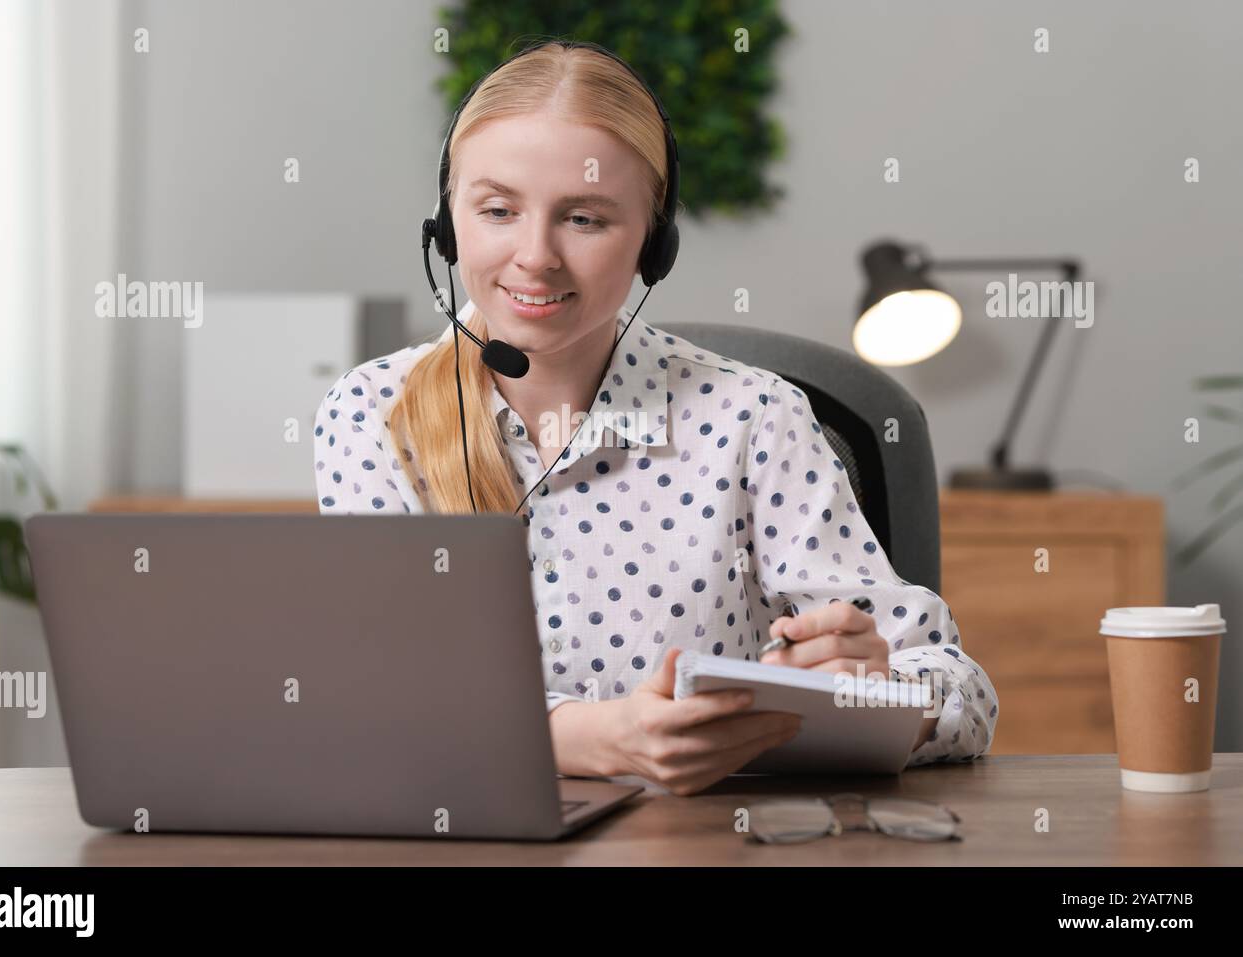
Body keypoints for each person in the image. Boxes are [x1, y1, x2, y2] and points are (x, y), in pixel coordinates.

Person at [314, 41, 998, 796]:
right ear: (447, 225)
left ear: (654, 244)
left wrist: (878, 693)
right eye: (498, 209)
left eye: (584, 217)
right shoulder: (373, 415)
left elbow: (958, 686)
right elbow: (377, 705)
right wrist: (600, 738)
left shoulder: (754, 418)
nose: (534, 256)